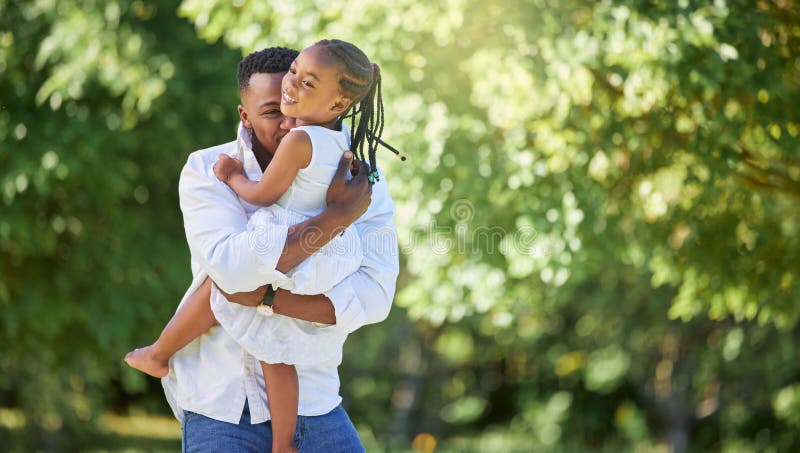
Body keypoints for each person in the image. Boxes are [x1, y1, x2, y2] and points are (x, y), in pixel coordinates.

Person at [126, 40, 395, 453]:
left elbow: (375, 295)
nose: (289, 121)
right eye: (273, 112)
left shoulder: (360, 176)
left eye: (301, 100)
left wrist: (271, 299)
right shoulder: (207, 169)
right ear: (245, 116)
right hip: (222, 405)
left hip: (315, 401)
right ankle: (160, 352)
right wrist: (335, 219)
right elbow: (234, 273)